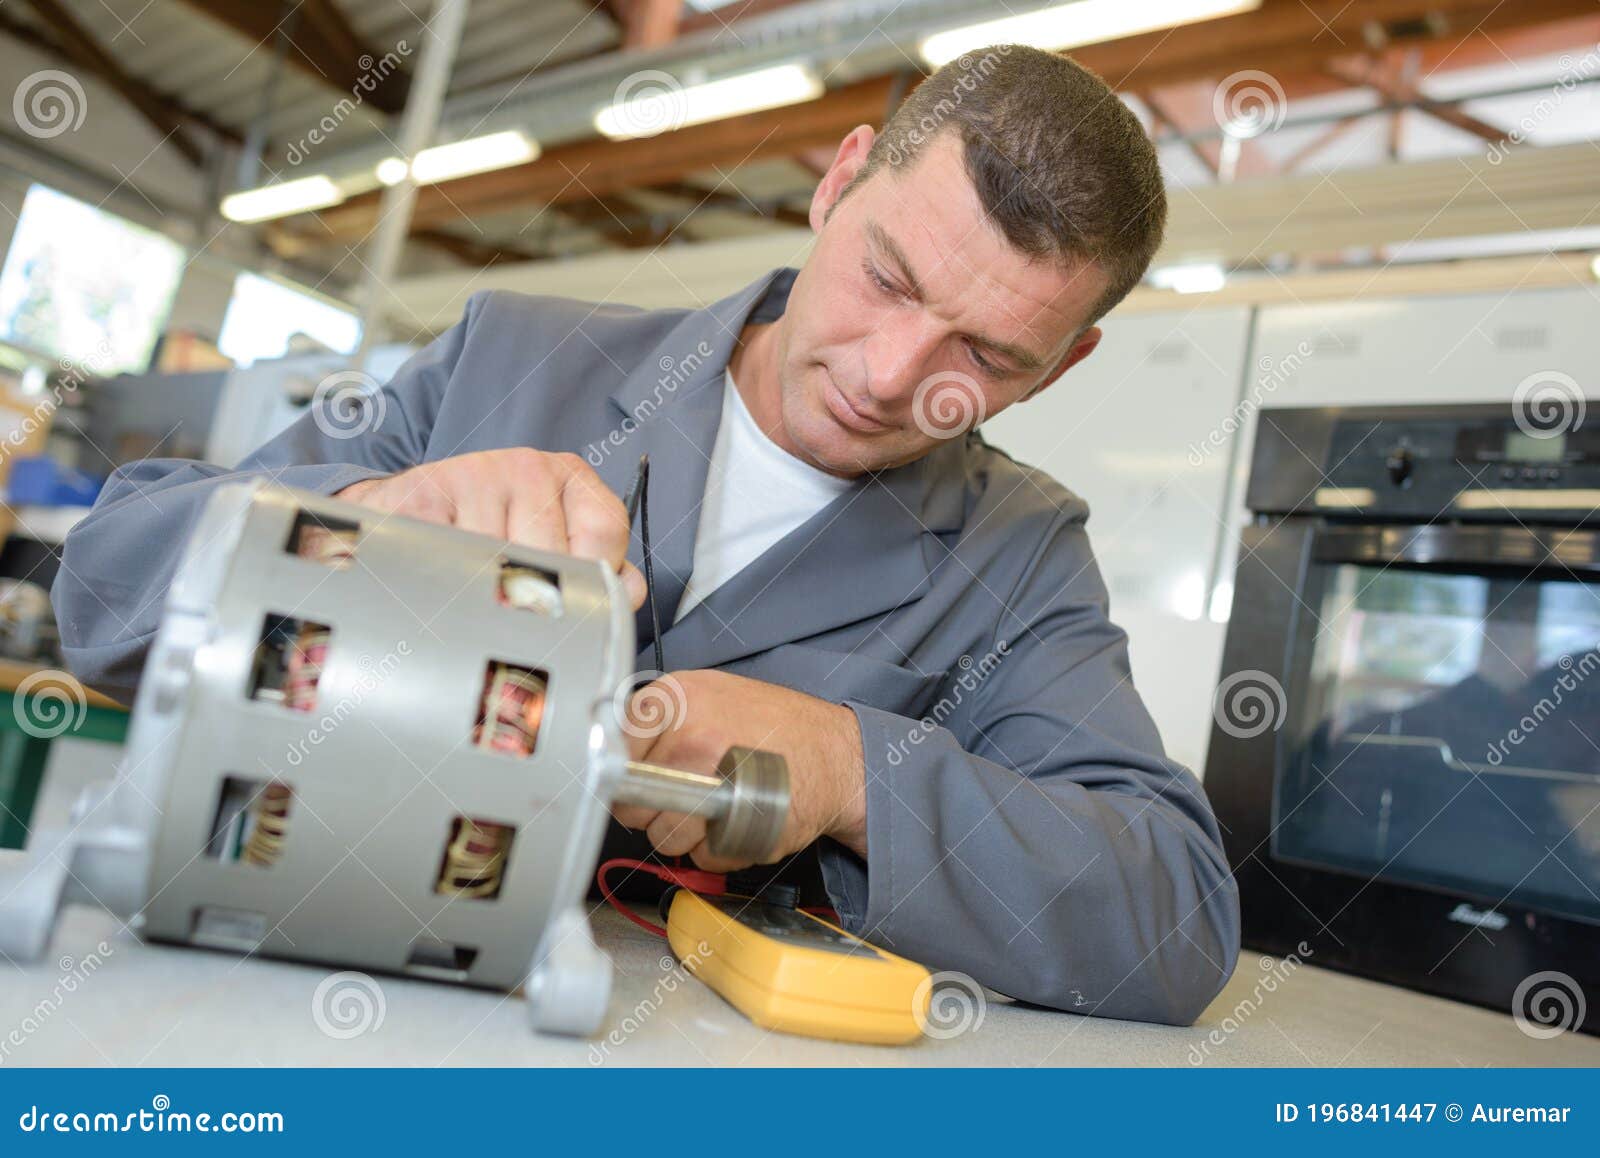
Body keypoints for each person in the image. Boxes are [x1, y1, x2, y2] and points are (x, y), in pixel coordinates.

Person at [54, 45, 1239, 1025]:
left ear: (1060, 366)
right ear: (837, 185)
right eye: (886, 278)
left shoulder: (1018, 554)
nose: (889, 377)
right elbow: (107, 583)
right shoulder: (513, 357)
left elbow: (1175, 916)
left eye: (981, 355)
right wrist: (361, 524)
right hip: (266, 992)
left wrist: (847, 770)